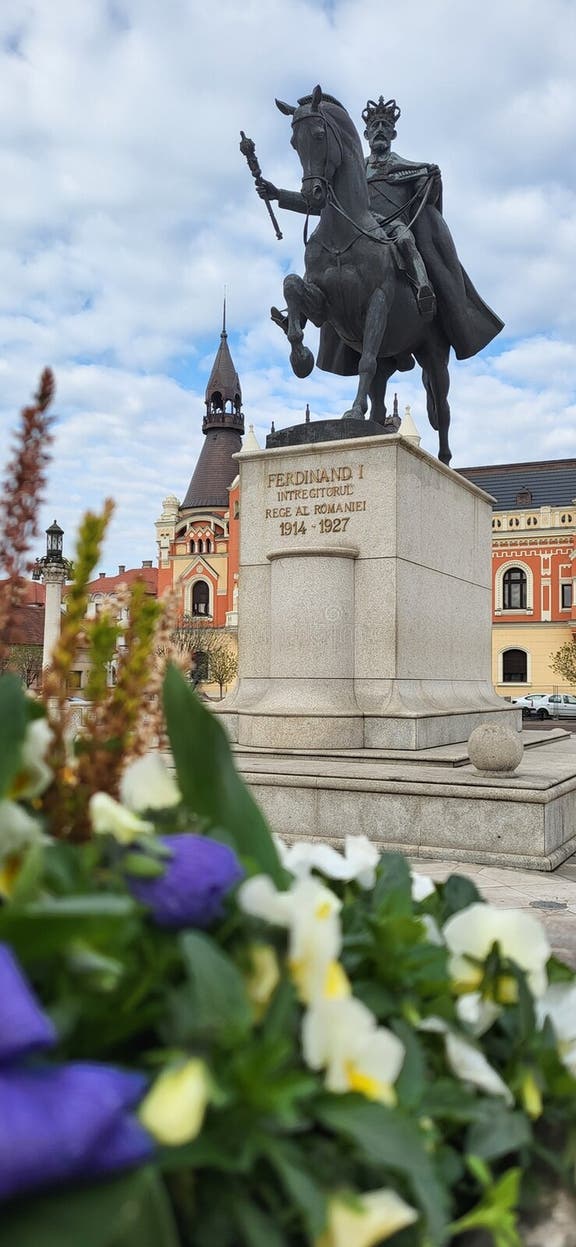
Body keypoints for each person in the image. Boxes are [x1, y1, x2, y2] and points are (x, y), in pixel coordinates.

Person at [259, 94, 504, 361]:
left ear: (393, 133)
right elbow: (321, 204)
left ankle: (423, 287)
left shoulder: (408, 168)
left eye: (385, 128)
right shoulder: (353, 170)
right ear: (365, 134)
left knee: (406, 237)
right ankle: (300, 316)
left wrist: (431, 182)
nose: (379, 132)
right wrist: (278, 194)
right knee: (321, 254)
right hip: (358, 228)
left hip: (390, 227)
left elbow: (426, 201)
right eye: (374, 128)